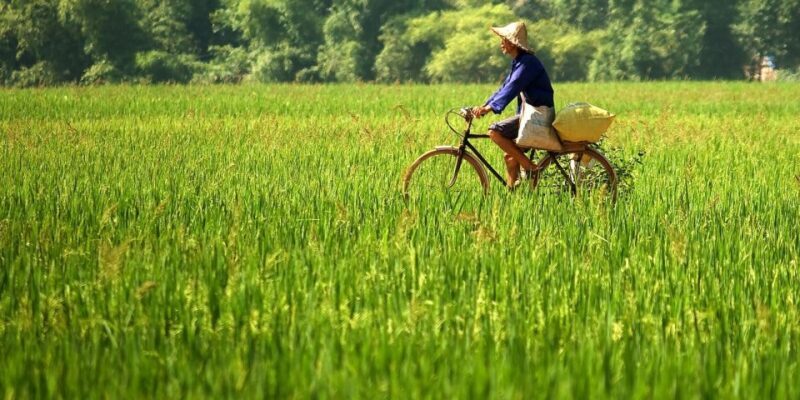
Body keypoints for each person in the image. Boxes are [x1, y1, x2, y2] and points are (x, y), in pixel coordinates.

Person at [472, 21, 554, 188]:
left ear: (512, 42)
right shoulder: (520, 61)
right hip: (531, 114)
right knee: (510, 156)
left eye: (503, 39)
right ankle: (512, 195)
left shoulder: (527, 63)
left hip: (537, 114)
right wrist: (484, 106)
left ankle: (531, 168)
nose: (501, 43)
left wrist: (489, 109)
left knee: (494, 131)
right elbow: (504, 87)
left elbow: (513, 86)